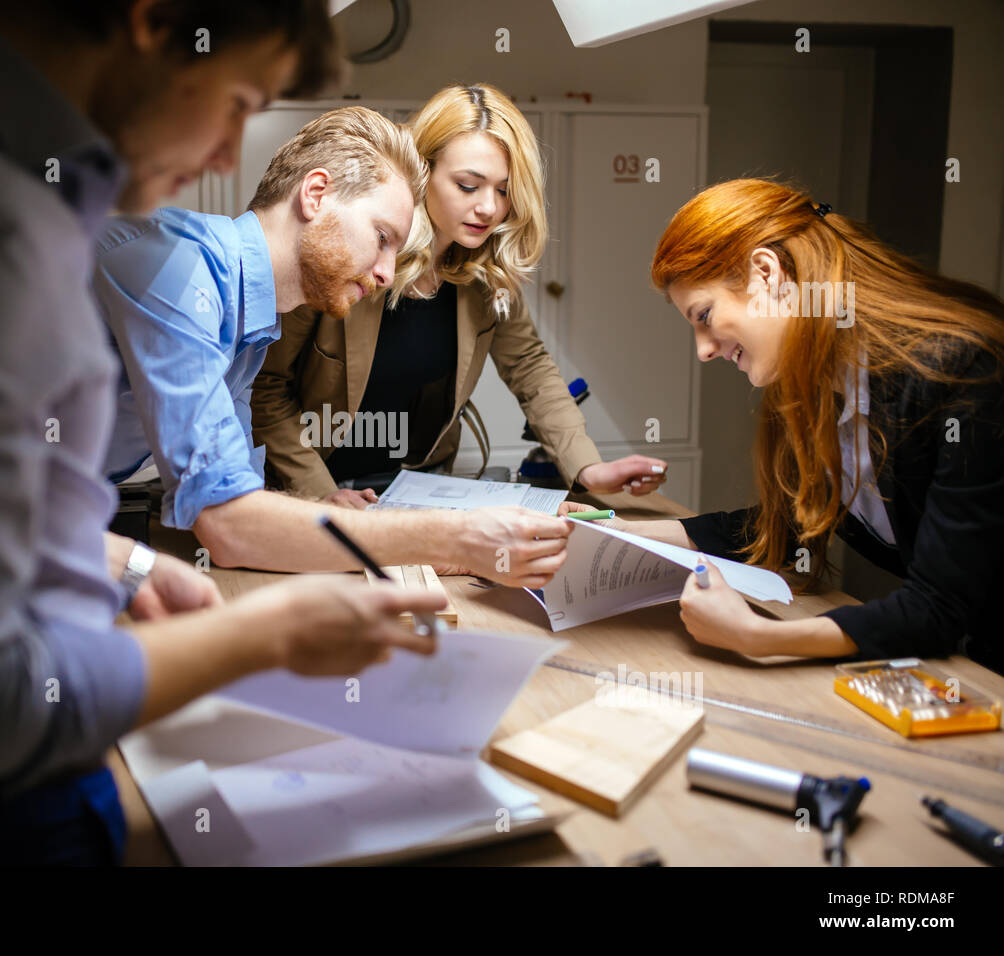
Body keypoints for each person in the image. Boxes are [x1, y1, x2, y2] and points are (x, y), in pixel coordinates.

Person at [0, 0, 443, 867]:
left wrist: (118, 562)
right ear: (154, 22)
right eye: (239, 102)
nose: (221, 155)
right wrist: (268, 636)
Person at [94, 106, 572, 585]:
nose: (387, 273)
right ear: (315, 194)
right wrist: (454, 536)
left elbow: (244, 507)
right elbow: (228, 526)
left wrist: (419, 547)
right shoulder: (180, 272)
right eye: (382, 237)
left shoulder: (251, 325)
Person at [565, 178, 1004, 672]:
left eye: (705, 315)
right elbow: (786, 526)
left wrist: (755, 636)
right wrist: (618, 533)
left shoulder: (961, 369)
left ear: (766, 272)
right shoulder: (825, 387)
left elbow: (936, 609)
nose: (704, 350)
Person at [251, 83, 668, 509]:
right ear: (421, 172)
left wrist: (586, 467)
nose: (489, 207)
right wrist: (324, 495)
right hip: (313, 492)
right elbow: (264, 388)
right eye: (468, 186)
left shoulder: (484, 274)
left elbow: (529, 367)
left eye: (504, 190)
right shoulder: (351, 258)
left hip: (416, 490)